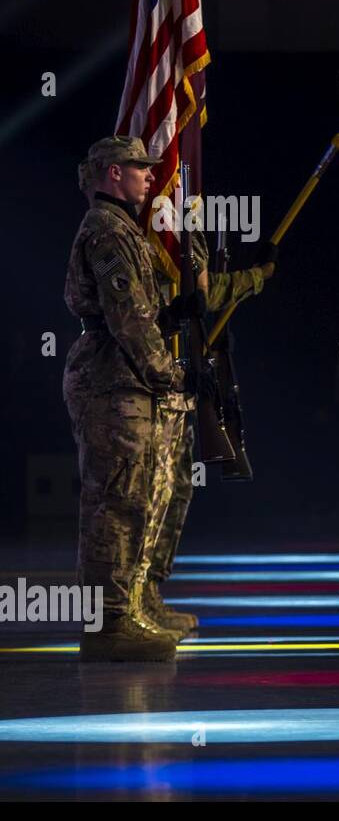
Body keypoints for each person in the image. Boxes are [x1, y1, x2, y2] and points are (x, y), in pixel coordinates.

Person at [63, 136, 190, 661]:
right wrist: (168, 374)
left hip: (124, 376)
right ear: (113, 172)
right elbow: (127, 320)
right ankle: (109, 624)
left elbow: (140, 311)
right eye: (140, 167)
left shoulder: (121, 228)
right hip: (112, 379)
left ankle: (127, 610)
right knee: (114, 502)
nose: (150, 175)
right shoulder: (107, 230)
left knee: (134, 498)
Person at [147, 220, 277, 638]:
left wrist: (256, 276)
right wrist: (255, 277)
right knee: (147, 496)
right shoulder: (148, 224)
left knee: (175, 489)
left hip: (181, 380)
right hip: (155, 380)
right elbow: (184, 296)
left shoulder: (183, 222)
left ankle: (148, 592)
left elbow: (203, 292)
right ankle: (128, 602)